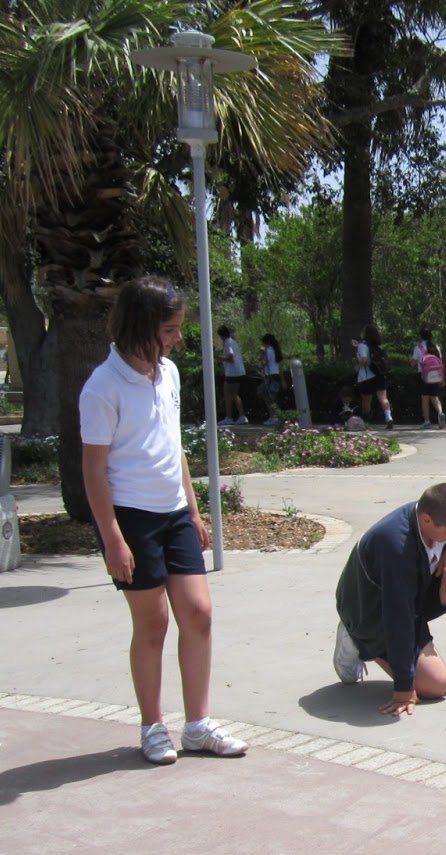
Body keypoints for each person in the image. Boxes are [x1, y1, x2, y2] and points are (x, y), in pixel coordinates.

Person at [81, 276, 247, 765]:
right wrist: (112, 539)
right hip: (131, 516)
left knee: (198, 612)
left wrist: (193, 509)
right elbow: (93, 469)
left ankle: (197, 726)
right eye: (170, 329)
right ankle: (153, 726)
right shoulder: (102, 386)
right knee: (152, 624)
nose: (177, 339)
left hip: (173, 512)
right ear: (140, 327)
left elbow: (172, 448)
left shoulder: (168, 374)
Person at [333, 482, 446, 715]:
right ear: (427, 520)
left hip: (413, 598)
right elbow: (397, 618)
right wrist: (404, 688)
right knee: (434, 686)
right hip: (372, 614)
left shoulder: (434, 515)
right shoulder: (395, 548)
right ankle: (357, 641)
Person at [352, 325, 393, 427]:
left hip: (366, 377)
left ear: (366, 334)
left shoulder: (362, 345)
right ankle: (388, 417)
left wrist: (357, 366)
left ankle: (366, 421)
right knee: (383, 398)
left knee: (366, 400)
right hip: (379, 375)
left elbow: (364, 359)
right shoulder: (375, 346)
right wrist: (358, 346)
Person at [217, 325, 247, 424]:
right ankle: (242, 416)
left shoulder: (227, 343)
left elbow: (231, 357)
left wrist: (220, 359)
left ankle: (229, 417)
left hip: (232, 373)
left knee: (227, 394)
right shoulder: (234, 342)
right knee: (234, 394)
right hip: (239, 371)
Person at [417, 338, 446, 429]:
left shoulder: (418, 348)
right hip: (436, 376)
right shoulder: (436, 347)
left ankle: (427, 421)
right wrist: (442, 379)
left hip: (424, 377)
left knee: (425, 398)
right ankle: (440, 413)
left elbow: (413, 363)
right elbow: (441, 363)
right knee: (434, 397)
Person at [260, 333, 284, 424]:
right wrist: (283, 380)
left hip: (269, 375)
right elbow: (280, 366)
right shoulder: (276, 350)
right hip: (276, 374)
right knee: (274, 397)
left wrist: (261, 354)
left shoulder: (267, 351)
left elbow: (263, 363)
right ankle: (276, 416)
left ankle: (272, 416)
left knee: (268, 397)